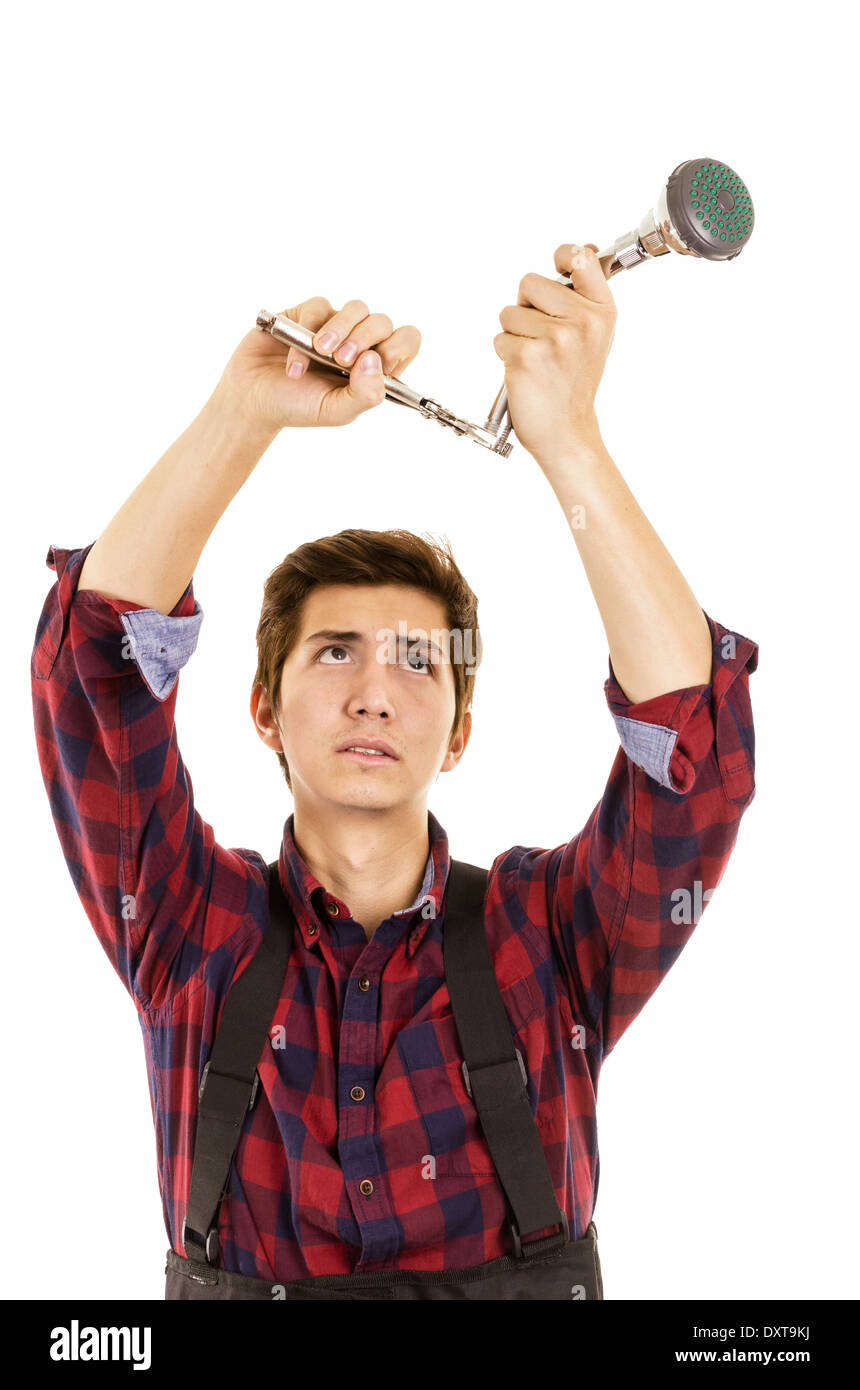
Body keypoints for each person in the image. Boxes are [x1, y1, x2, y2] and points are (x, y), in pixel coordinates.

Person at [30, 243, 758, 1300]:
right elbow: (93, 669)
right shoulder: (193, 929)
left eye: (419, 661)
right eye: (335, 651)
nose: (376, 691)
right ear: (264, 709)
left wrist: (567, 439)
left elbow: (690, 750)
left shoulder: (545, 937)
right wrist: (242, 417)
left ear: (457, 730)